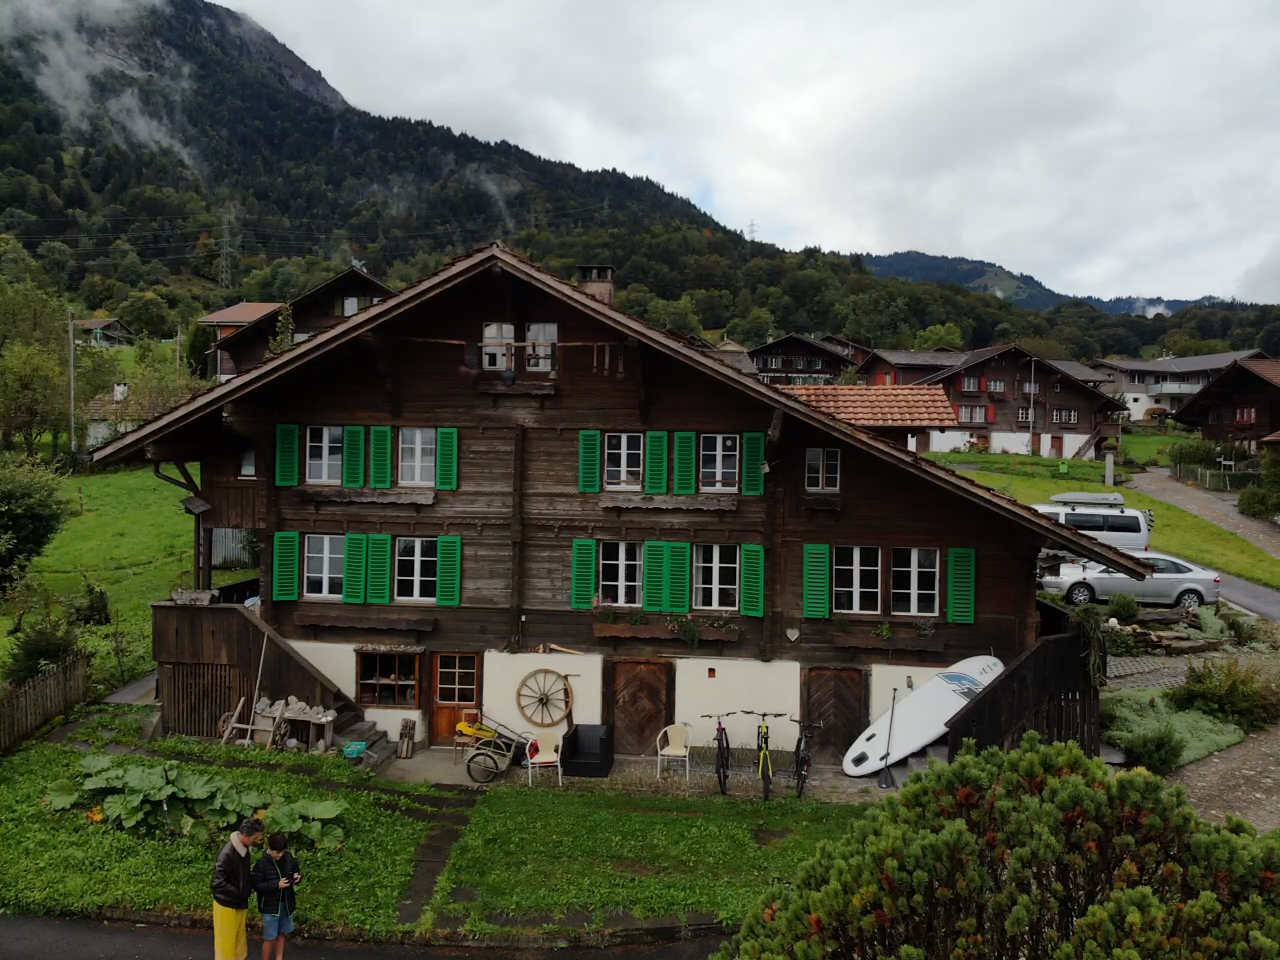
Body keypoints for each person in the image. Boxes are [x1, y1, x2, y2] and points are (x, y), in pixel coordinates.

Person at [212, 817, 264, 960]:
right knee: (226, 943)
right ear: (245, 835)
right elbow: (217, 883)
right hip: (227, 905)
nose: (256, 840)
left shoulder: (244, 848)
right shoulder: (227, 854)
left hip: (238, 902)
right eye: (255, 837)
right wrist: (240, 893)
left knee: (238, 939)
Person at [252, 832, 303, 960]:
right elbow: (257, 886)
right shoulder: (261, 864)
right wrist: (277, 884)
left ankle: (279, 958)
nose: (280, 855)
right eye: (277, 852)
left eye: (282, 852)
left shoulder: (289, 857)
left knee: (281, 934)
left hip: (286, 903)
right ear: (269, 849)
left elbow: (295, 870)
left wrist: (297, 878)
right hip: (270, 907)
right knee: (270, 938)